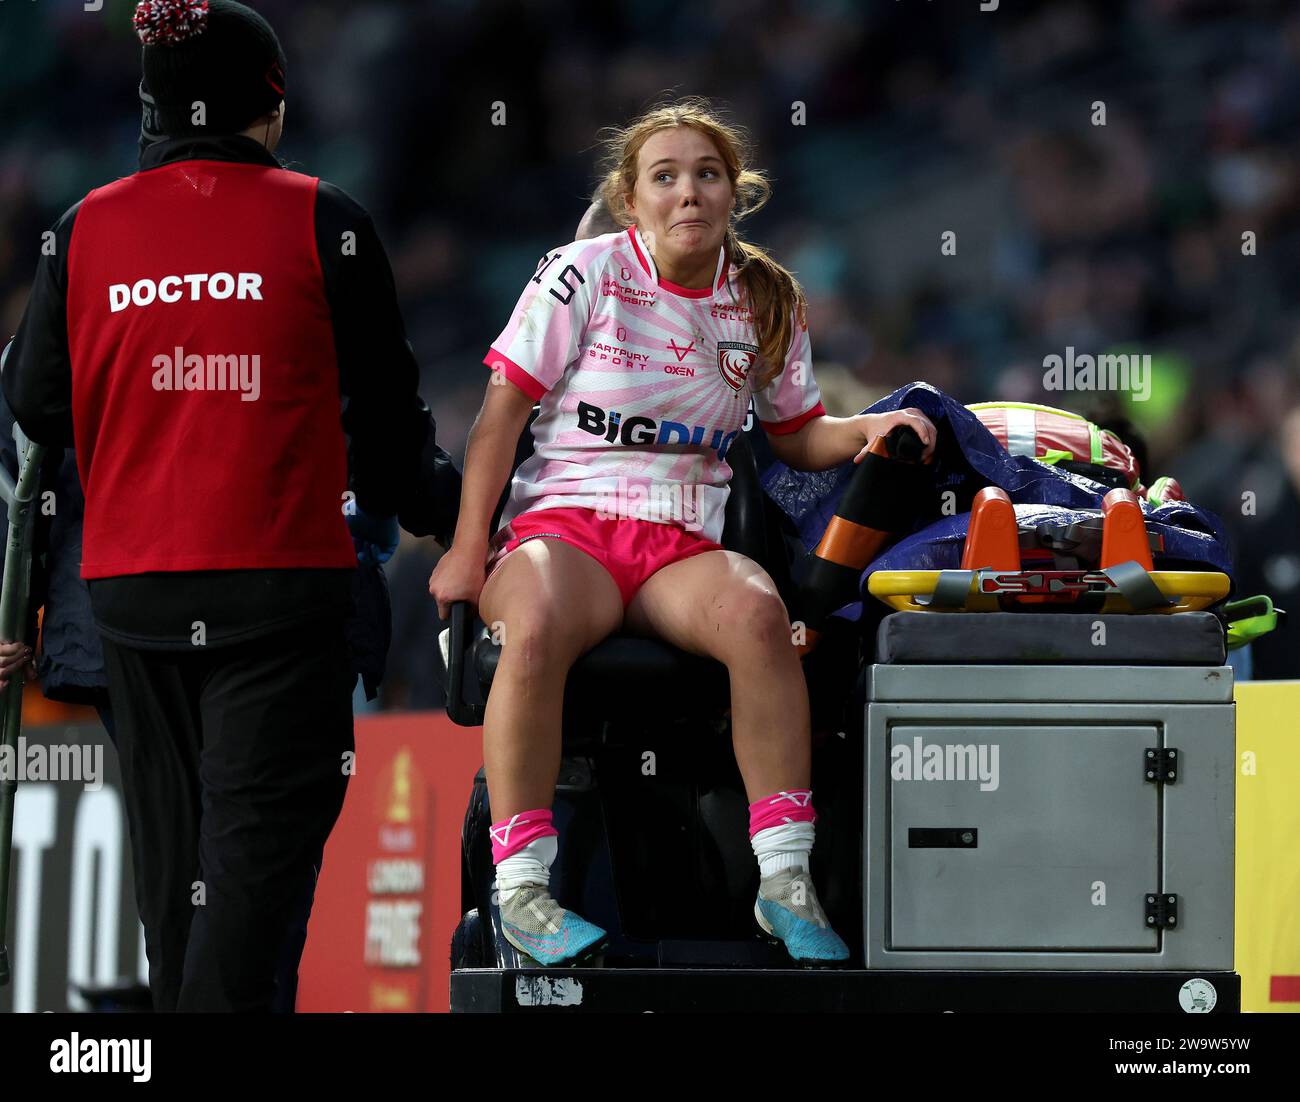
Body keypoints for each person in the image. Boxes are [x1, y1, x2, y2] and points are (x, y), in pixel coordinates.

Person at [1, 0, 441, 1011]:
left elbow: (31, 402)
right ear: (271, 107)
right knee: (250, 886)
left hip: (129, 602)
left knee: (178, 888)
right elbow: (390, 432)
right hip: (279, 599)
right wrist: (463, 515)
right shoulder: (324, 218)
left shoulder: (82, 230)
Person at [428, 97, 936, 965]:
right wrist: (468, 550)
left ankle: (784, 881)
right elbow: (498, 420)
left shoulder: (766, 299)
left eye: (707, 174)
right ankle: (522, 891)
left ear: (734, 193)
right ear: (634, 201)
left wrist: (869, 430)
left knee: (756, 613)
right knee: (539, 622)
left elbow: (795, 434)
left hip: (680, 545)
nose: (688, 192)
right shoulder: (580, 273)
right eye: (665, 176)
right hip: (567, 527)